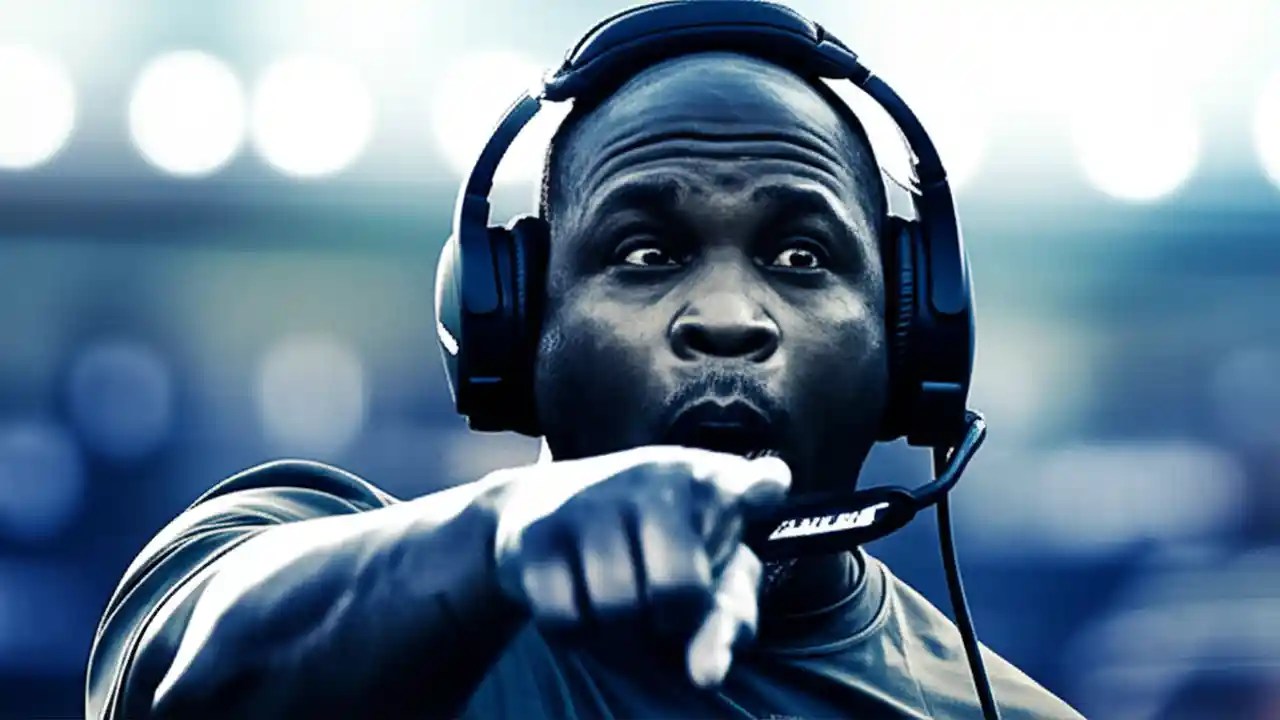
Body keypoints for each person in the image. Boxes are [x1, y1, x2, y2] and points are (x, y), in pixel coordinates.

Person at [85, 7, 1085, 720]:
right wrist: (498, 539)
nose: (729, 317)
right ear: (515, 334)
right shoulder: (301, 557)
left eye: (799, 258)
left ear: (911, 345)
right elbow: (182, 681)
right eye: (645, 254)